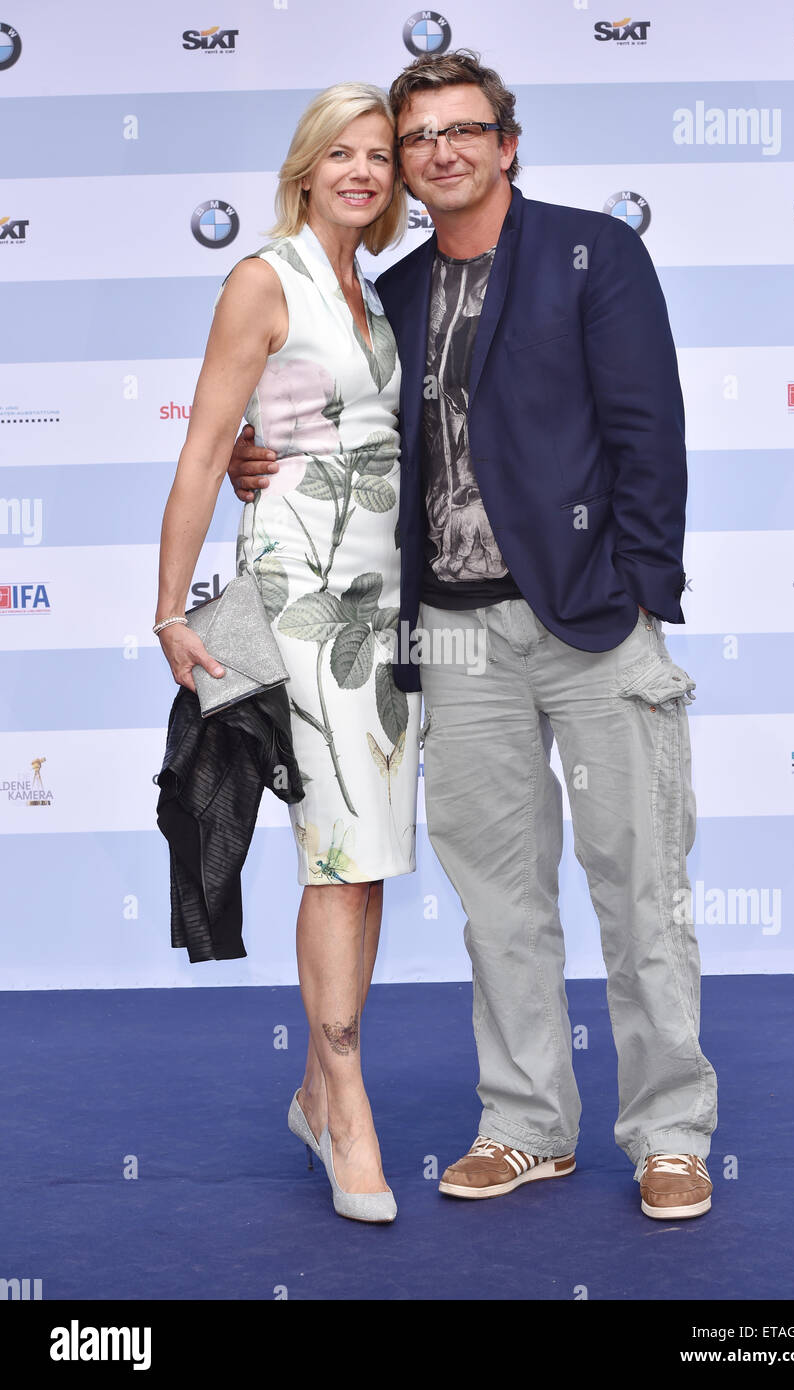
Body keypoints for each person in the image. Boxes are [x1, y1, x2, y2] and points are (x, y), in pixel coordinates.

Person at [228, 51, 718, 1221]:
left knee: (640, 890)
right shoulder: (387, 296)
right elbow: (312, 431)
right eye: (416, 138)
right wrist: (258, 459)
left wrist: (639, 588)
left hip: (593, 625)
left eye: (464, 129)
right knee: (500, 901)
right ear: (399, 163)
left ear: (507, 142)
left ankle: (669, 1133)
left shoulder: (591, 253)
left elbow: (649, 430)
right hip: (450, 640)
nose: (439, 151)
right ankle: (528, 1125)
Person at [154, 83, 421, 1224]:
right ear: (306, 166)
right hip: (296, 598)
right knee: (337, 855)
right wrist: (172, 609)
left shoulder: (378, 293)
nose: (363, 170)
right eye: (342, 153)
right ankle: (345, 1100)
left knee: (361, 858)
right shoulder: (263, 278)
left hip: (380, 606)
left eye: (379, 156)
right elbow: (209, 449)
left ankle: (318, 1086)